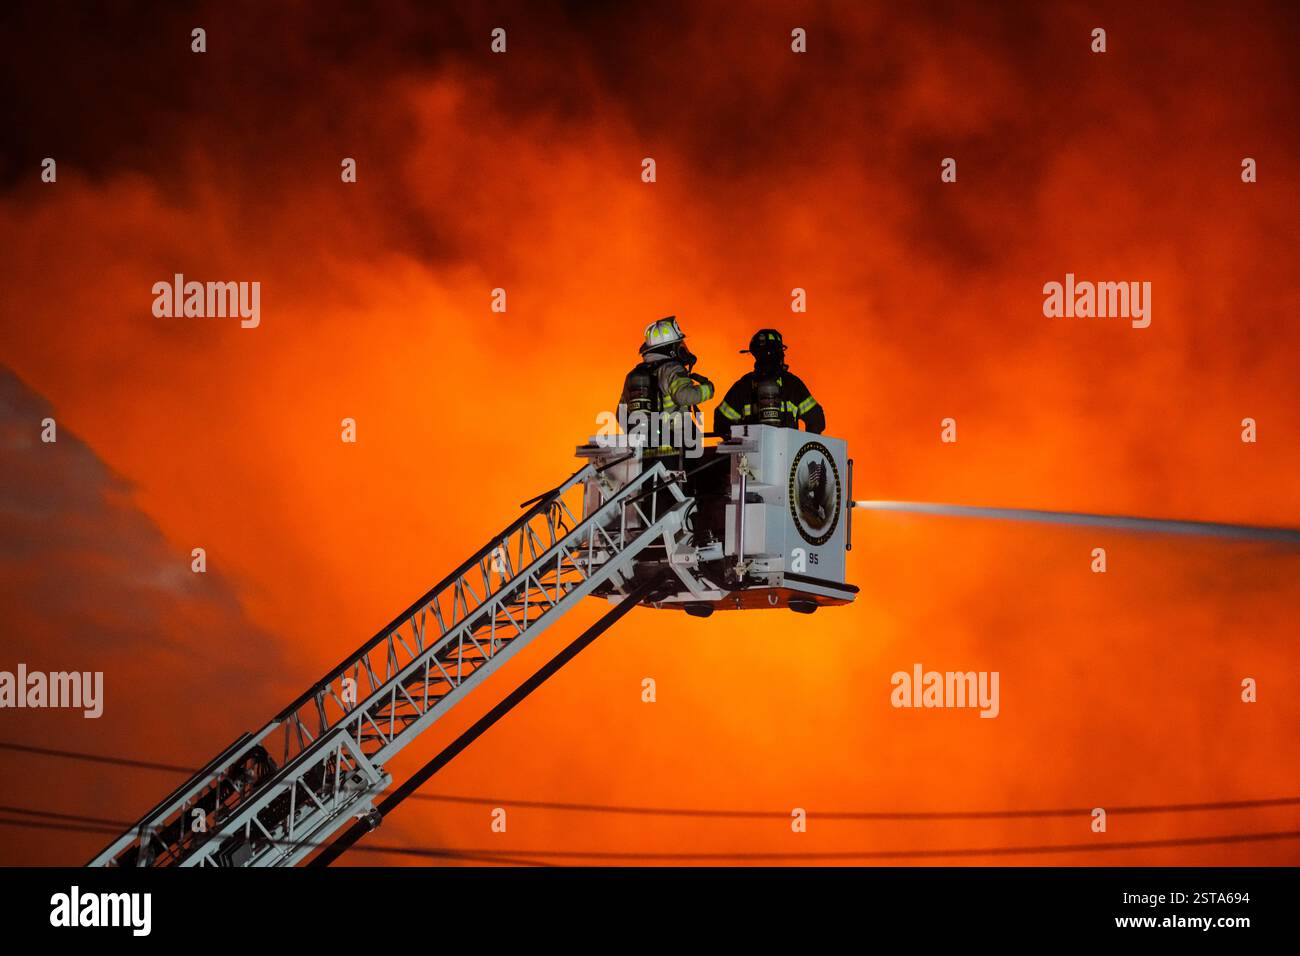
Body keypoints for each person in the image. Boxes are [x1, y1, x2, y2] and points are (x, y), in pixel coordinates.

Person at [619, 316, 714, 458]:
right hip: (676, 443)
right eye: (679, 344)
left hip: (644, 450)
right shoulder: (672, 369)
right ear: (671, 348)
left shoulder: (633, 376)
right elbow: (684, 396)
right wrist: (708, 388)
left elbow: (620, 414)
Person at [713, 328, 824, 434]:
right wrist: (801, 448)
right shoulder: (793, 384)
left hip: (752, 453)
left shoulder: (743, 386)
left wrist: (743, 440)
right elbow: (817, 420)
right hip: (787, 452)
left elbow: (721, 424)